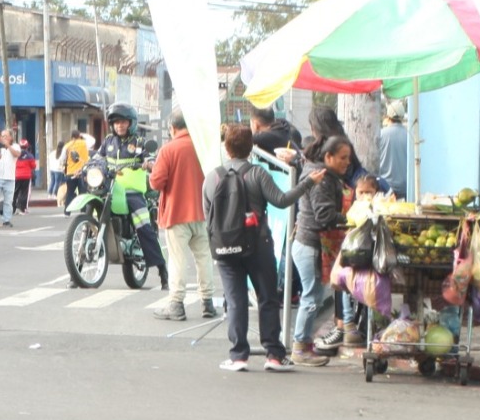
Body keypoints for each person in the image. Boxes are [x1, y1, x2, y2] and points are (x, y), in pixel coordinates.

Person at [205, 125, 323, 372]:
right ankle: (274, 355)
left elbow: (208, 216)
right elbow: (281, 200)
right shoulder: (257, 174)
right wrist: (307, 183)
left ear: (226, 147)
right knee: (267, 298)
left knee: (236, 301)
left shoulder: (212, 177)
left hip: (225, 250)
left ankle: (238, 356)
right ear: (251, 148)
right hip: (258, 246)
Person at [290, 135, 356, 366]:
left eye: (348, 158)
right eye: (342, 158)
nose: (347, 162)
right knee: (311, 298)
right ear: (328, 157)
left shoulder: (323, 174)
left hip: (309, 244)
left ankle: (304, 345)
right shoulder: (322, 179)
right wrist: (353, 218)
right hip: (309, 245)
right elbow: (324, 215)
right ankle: (300, 348)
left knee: (314, 296)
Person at [149, 109, 215, 321]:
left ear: (172, 128)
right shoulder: (203, 148)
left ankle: (176, 304)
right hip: (202, 213)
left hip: (176, 213)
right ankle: (207, 303)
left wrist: (152, 170)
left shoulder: (168, 150)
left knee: (178, 260)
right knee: (203, 258)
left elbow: (156, 182)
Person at [98, 104, 168, 289]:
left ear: (131, 123)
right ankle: (77, 270)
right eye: (116, 122)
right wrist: (87, 165)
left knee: (144, 228)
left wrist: (149, 162)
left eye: (123, 122)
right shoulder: (108, 142)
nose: (119, 125)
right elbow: (98, 158)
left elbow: (150, 156)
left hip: (133, 191)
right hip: (111, 189)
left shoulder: (139, 142)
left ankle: (163, 272)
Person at [377, 100, 410, 199]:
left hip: (385, 188)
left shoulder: (380, 134)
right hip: (406, 189)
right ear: (403, 116)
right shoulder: (410, 136)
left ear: (388, 116)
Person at [0, 129, 21, 227]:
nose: (3, 138)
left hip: (10, 178)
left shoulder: (15, 146)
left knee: (8, 200)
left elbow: (17, 154)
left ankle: (7, 220)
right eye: (2, 136)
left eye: (6, 136)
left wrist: (8, 146)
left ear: (11, 137)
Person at [63, 130, 90, 209]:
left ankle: (67, 212)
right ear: (79, 136)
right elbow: (92, 141)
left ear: (71, 137)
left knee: (70, 193)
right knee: (83, 193)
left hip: (70, 172)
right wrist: (82, 136)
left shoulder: (67, 146)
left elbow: (62, 158)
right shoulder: (84, 143)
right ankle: (83, 211)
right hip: (83, 172)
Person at [12, 139, 36, 216]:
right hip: (26, 176)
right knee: (24, 193)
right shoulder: (29, 155)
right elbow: (33, 166)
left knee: (15, 192)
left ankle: (13, 208)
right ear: (27, 147)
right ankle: (22, 209)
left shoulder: (15, 155)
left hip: (16, 176)